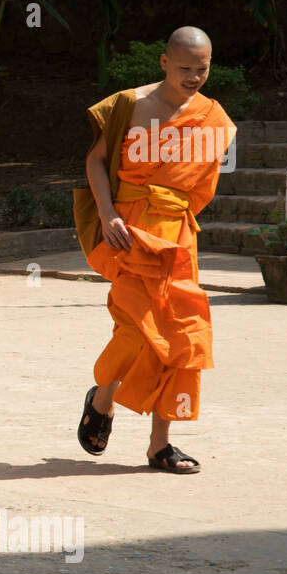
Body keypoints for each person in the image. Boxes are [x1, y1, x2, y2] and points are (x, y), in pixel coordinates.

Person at [75, 26, 235, 474]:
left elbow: (200, 185)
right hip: (130, 231)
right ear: (164, 62)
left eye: (201, 69)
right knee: (136, 330)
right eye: (184, 68)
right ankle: (103, 397)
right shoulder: (131, 105)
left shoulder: (211, 116)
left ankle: (161, 444)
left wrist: (177, 214)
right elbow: (96, 160)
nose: (193, 77)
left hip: (179, 238)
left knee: (182, 336)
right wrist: (107, 214)